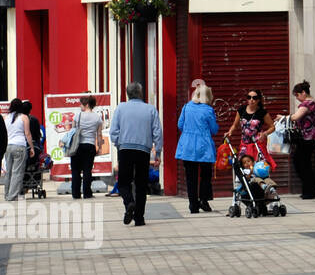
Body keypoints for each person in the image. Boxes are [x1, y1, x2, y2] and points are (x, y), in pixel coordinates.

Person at [109, 82, 163, 227]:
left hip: (125, 149)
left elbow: (113, 131)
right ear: (140, 93)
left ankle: (129, 203)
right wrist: (157, 152)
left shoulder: (120, 108)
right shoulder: (151, 109)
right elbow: (157, 133)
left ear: (128, 94)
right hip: (143, 151)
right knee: (141, 184)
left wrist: (118, 144)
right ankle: (139, 218)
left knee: (123, 182)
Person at [176, 84, 220, 213]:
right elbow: (214, 129)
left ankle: (193, 205)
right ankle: (204, 200)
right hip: (204, 146)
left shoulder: (186, 107)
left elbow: (180, 125)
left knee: (191, 177)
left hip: (188, 145)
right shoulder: (208, 110)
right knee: (206, 175)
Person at [281, 80, 315, 199]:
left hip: (307, 138)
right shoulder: (314, 103)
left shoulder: (307, 104)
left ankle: (310, 192)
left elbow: (296, 117)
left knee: (301, 164)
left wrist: (282, 118)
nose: (297, 98)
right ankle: (310, 191)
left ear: (303, 92)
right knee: (304, 164)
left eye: (297, 95)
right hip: (311, 137)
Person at [69, 96, 105, 200]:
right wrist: (100, 147)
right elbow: (99, 134)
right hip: (89, 146)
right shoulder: (97, 118)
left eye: (81, 104)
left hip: (77, 146)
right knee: (87, 170)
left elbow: (73, 131)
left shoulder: (77, 116)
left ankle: (75, 193)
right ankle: (87, 193)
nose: (80, 106)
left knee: (75, 170)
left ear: (87, 105)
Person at [4, 98, 35, 201]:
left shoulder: (5, 118)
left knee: (9, 171)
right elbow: (27, 133)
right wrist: (31, 147)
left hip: (8, 146)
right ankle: (13, 195)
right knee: (17, 172)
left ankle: (7, 194)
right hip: (19, 146)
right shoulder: (24, 117)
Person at [228, 89, 273, 159]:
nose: (251, 100)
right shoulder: (241, 110)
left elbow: (272, 127)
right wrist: (230, 131)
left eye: (254, 98)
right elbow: (235, 125)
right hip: (244, 144)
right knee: (243, 166)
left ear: (258, 100)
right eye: (249, 97)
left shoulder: (262, 112)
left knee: (259, 166)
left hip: (257, 144)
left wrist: (265, 133)